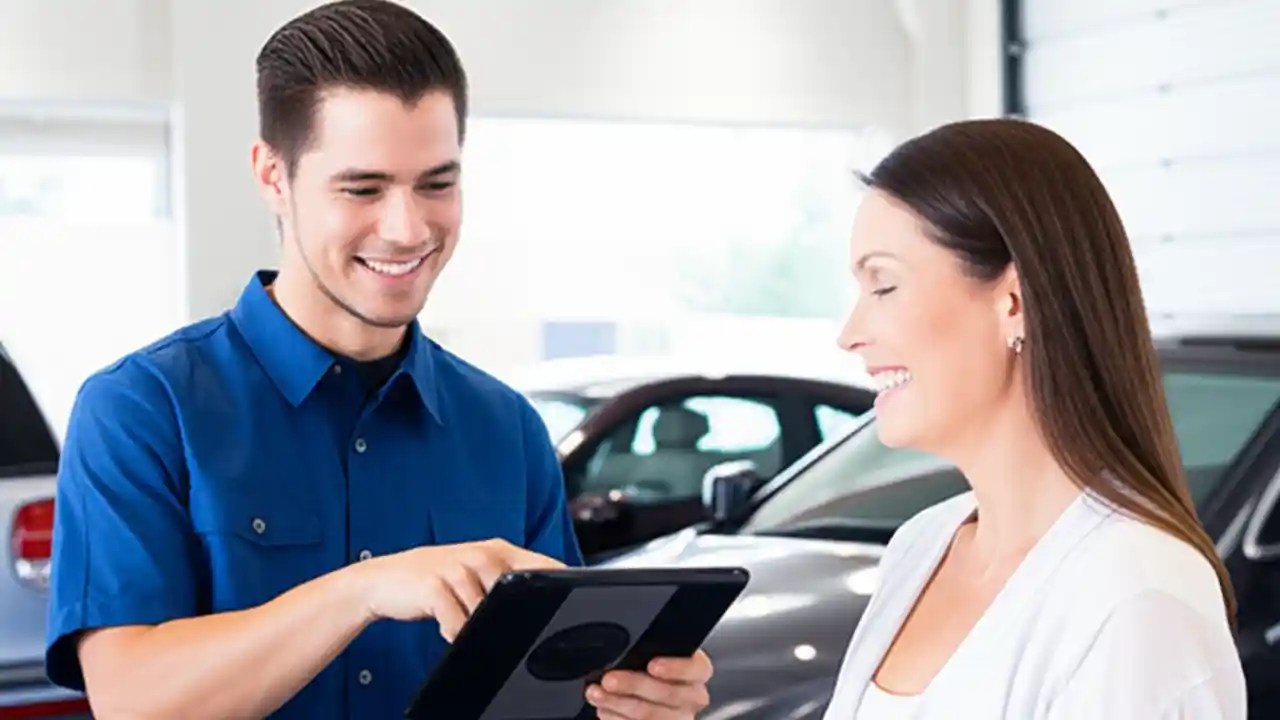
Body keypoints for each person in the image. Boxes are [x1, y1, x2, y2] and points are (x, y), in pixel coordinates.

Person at [44, 2, 713, 718]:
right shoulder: (143, 409)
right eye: (362, 188)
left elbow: (545, 697)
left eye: (436, 183)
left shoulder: (505, 430)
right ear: (273, 175)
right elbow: (132, 701)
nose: (407, 228)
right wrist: (361, 592)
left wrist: (630, 702)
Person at [822, 119, 1246, 719]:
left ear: (1013, 302)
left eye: (883, 286)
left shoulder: (1137, 596)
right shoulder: (921, 547)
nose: (850, 335)